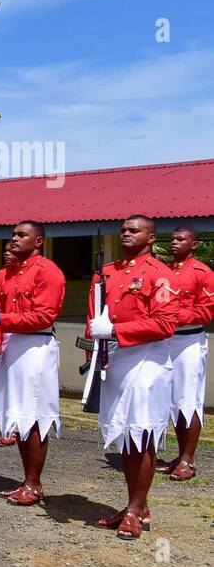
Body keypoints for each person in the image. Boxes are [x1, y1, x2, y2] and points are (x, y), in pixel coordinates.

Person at [89, 215, 180, 540]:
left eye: (134, 230)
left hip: (148, 358)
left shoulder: (160, 275)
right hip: (116, 358)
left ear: (151, 237)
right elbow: (94, 314)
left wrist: (116, 330)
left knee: (142, 433)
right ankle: (136, 505)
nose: (126, 234)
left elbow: (165, 324)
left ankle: (134, 510)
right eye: (123, 230)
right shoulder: (108, 271)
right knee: (127, 435)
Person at [0, 222, 66, 504]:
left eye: (20, 235)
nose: (13, 239)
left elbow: (43, 316)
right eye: (13, 235)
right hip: (14, 344)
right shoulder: (13, 273)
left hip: (35, 345)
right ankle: (27, 480)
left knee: (35, 415)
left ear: (38, 241)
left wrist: (2, 319)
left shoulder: (47, 271)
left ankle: (34, 483)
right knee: (19, 414)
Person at [157, 226, 214, 481]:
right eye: (173, 239)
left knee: (188, 400)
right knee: (172, 401)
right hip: (164, 339)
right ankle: (179, 455)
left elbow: (207, 311)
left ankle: (188, 460)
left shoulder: (203, 273)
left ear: (195, 244)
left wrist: (175, 316)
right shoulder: (164, 272)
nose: (175, 243)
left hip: (189, 341)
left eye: (181, 239)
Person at [0, 242, 22, 447]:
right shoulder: (0, 276)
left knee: (19, 386)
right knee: (1, 385)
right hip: (4, 331)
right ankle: (5, 425)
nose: (7, 254)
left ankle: (18, 428)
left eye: (12, 251)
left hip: (26, 334)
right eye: (5, 251)